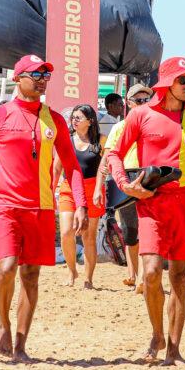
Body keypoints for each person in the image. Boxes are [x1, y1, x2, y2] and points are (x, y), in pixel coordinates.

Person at [107, 56, 185, 366]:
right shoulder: (141, 114)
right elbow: (114, 154)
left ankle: (174, 350)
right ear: (167, 84)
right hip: (150, 201)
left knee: (180, 277)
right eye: (183, 80)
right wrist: (126, 185)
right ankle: (156, 335)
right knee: (150, 274)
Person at [0, 54, 87, 362]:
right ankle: (3, 323)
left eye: (46, 74)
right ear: (18, 78)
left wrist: (81, 204)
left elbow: (72, 166)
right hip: (6, 206)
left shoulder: (55, 119)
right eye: (36, 74)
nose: (43, 79)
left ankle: (21, 344)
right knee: (7, 268)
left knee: (31, 276)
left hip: (42, 208)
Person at [95, 83, 153, 292]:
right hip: (126, 180)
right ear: (128, 103)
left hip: (149, 179)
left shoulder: (156, 124)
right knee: (130, 231)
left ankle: (143, 278)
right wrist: (98, 188)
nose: (143, 104)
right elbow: (107, 157)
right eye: (138, 100)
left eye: (146, 100)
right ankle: (133, 274)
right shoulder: (119, 128)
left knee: (149, 230)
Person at [53, 104, 105, 289]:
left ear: (90, 121)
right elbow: (58, 167)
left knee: (88, 237)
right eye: (73, 117)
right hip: (68, 189)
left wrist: (99, 188)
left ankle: (88, 278)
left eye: (78, 118)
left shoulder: (101, 141)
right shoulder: (66, 139)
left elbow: (104, 168)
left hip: (92, 190)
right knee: (66, 232)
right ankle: (71, 270)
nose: (74, 120)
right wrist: (52, 190)